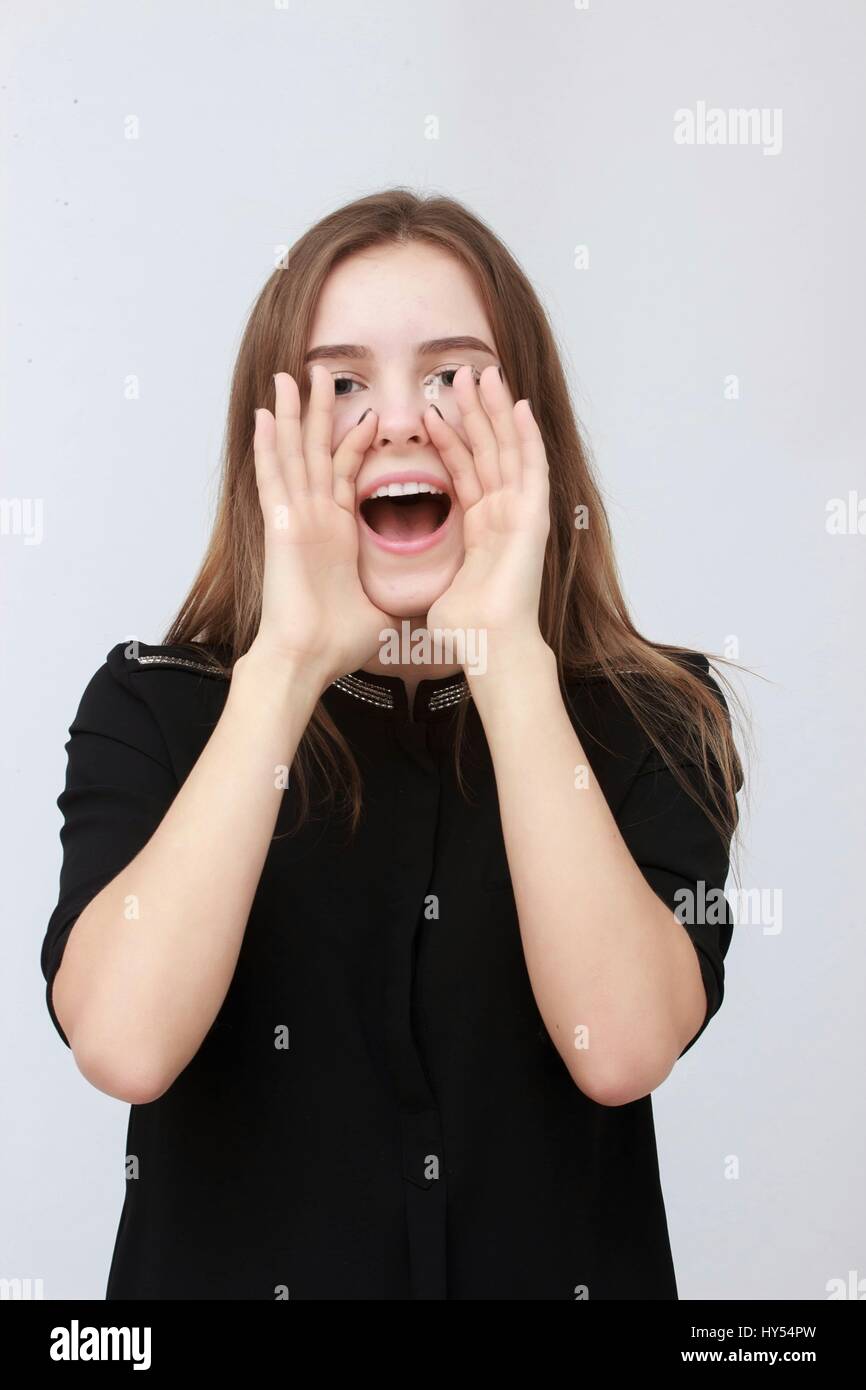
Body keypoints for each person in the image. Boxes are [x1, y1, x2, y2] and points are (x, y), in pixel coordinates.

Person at [41, 187, 745, 1300]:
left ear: (531, 424)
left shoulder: (656, 716)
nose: (403, 421)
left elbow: (617, 1048)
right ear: (270, 438)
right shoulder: (153, 707)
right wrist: (286, 660)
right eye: (342, 383)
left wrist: (504, 651)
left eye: (454, 376)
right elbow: (124, 1044)